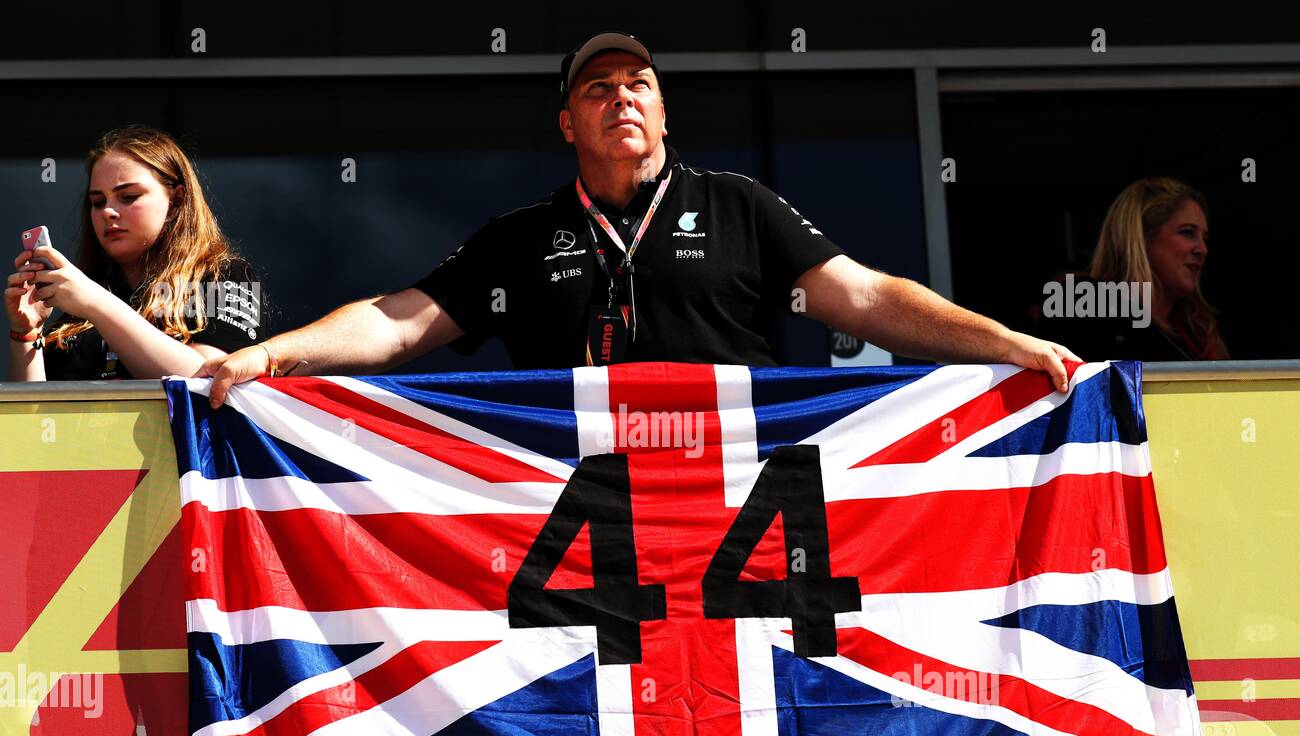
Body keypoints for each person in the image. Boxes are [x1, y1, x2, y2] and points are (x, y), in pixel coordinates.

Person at [199, 31, 1079, 408]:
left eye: (638, 86)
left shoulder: (738, 204)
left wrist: (1004, 343)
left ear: (663, 115)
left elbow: (868, 297)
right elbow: (397, 326)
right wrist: (276, 354)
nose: (621, 97)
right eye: (598, 89)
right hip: (579, 522)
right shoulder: (519, 237)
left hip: (733, 504)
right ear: (567, 125)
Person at [6, 126, 267, 381]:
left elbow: (208, 378)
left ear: (176, 202)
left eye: (128, 196)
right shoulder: (79, 303)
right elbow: (35, 416)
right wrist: (27, 333)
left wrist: (95, 303)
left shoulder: (223, 275)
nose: (108, 211)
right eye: (97, 202)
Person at [1034, 178, 1228, 361]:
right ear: (1141, 237)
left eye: (1205, 238)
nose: (1202, 249)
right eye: (1187, 232)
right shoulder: (1085, 304)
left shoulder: (1199, 333)